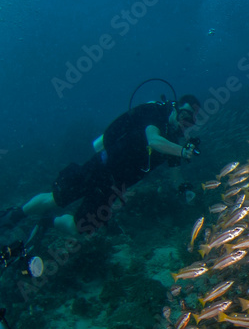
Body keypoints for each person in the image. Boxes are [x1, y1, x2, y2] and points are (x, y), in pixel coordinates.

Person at [0, 95, 201, 236]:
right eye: (185, 116)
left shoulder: (174, 140)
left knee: (81, 228)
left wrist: (184, 189)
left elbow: (175, 172)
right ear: (175, 108)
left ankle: (48, 222)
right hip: (101, 167)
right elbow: (153, 140)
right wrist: (183, 151)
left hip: (117, 186)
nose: (186, 123)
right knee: (58, 198)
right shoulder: (155, 113)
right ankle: (17, 214)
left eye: (191, 122)